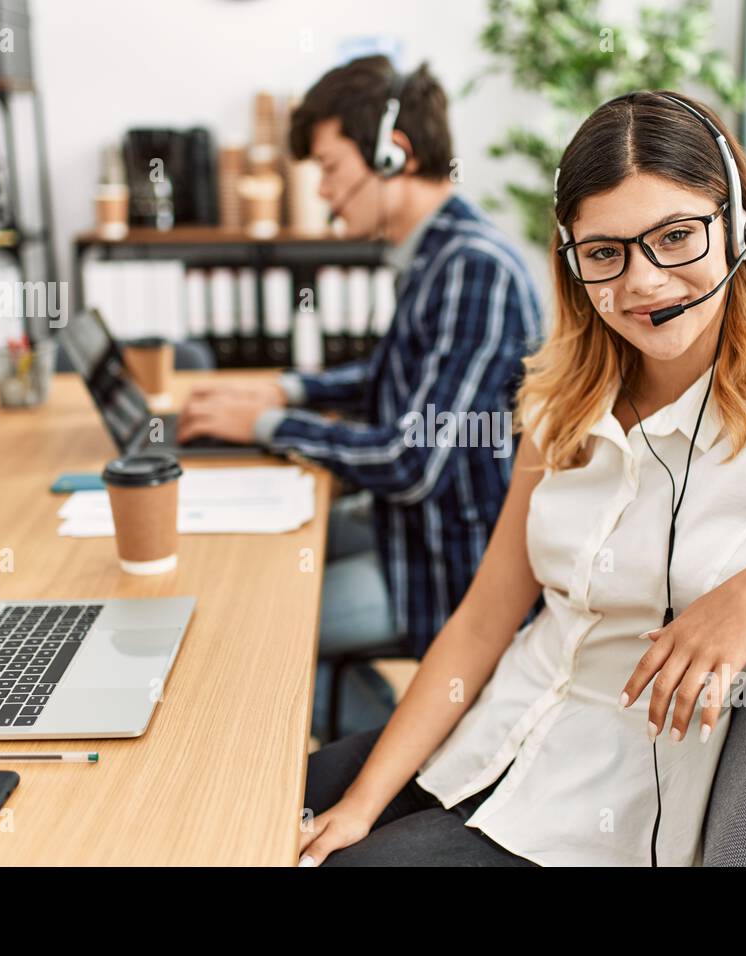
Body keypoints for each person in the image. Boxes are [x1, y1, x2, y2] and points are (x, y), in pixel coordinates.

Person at [296, 90, 746, 866]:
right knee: (265, 807)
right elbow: (482, 624)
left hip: (599, 818)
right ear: (573, 260)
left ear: (738, 228)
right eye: (606, 252)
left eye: (676, 237)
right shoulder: (562, 402)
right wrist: (362, 803)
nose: (644, 282)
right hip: (487, 733)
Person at [177, 56, 542, 738]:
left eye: (330, 167)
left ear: (391, 153)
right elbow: (389, 377)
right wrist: (287, 388)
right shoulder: (437, 257)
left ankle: (417, 767)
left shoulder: (473, 270)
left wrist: (268, 423)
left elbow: (410, 460)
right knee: (251, 567)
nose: (325, 192)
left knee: (249, 640)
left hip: (445, 566)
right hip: (409, 532)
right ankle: (395, 740)